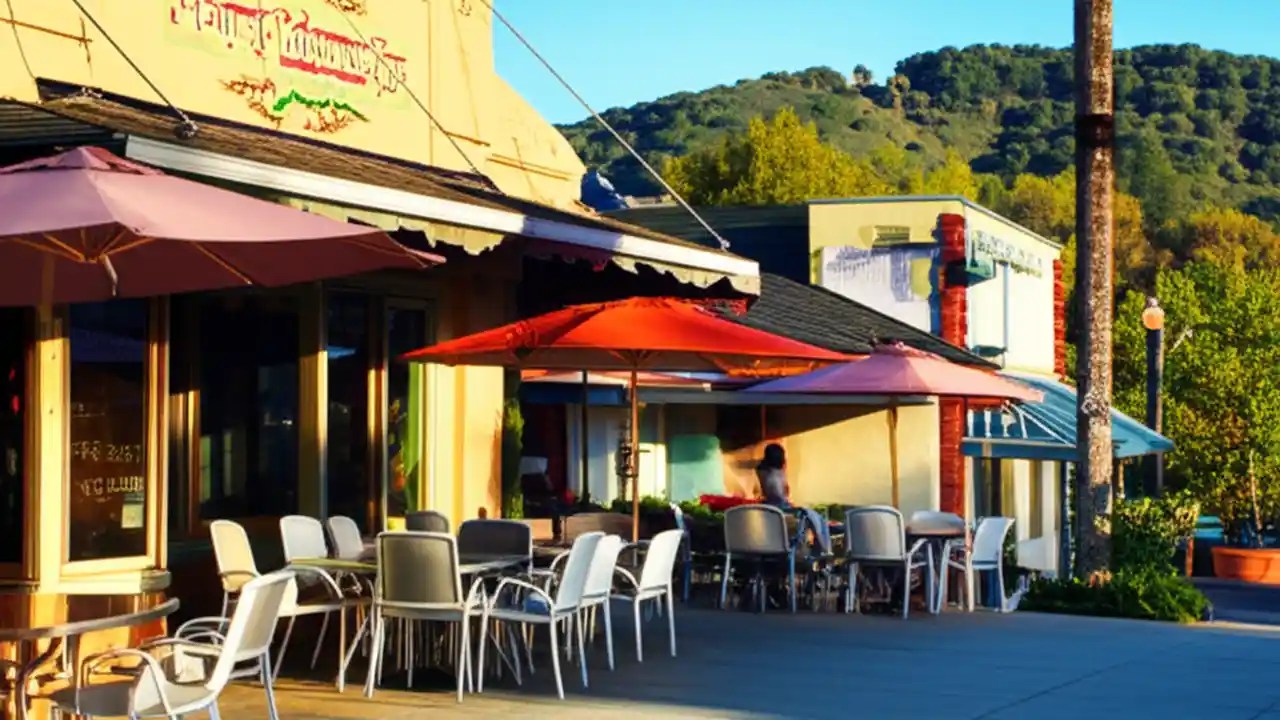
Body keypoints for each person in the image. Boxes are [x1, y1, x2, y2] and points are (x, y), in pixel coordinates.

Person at [756, 443, 790, 508]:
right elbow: (782, 493)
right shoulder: (778, 473)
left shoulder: (762, 471)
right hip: (779, 505)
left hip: (768, 506)